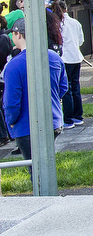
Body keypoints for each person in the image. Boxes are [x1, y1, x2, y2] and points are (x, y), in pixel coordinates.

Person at [3, 18, 68, 163]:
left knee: (36, 171)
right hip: (53, 120)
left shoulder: (14, 65)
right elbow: (63, 86)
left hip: (26, 126)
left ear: (18, 34)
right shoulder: (54, 57)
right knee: (46, 166)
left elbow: (11, 101)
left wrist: (11, 121)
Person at [54, 1, 85, 128]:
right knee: (76, 87)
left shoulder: (58, 25)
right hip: (76, 57)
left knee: (66, 89)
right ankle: (78, 116)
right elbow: (81, 40)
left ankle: (68, 118)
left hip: (65, 58)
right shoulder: (75, 22)